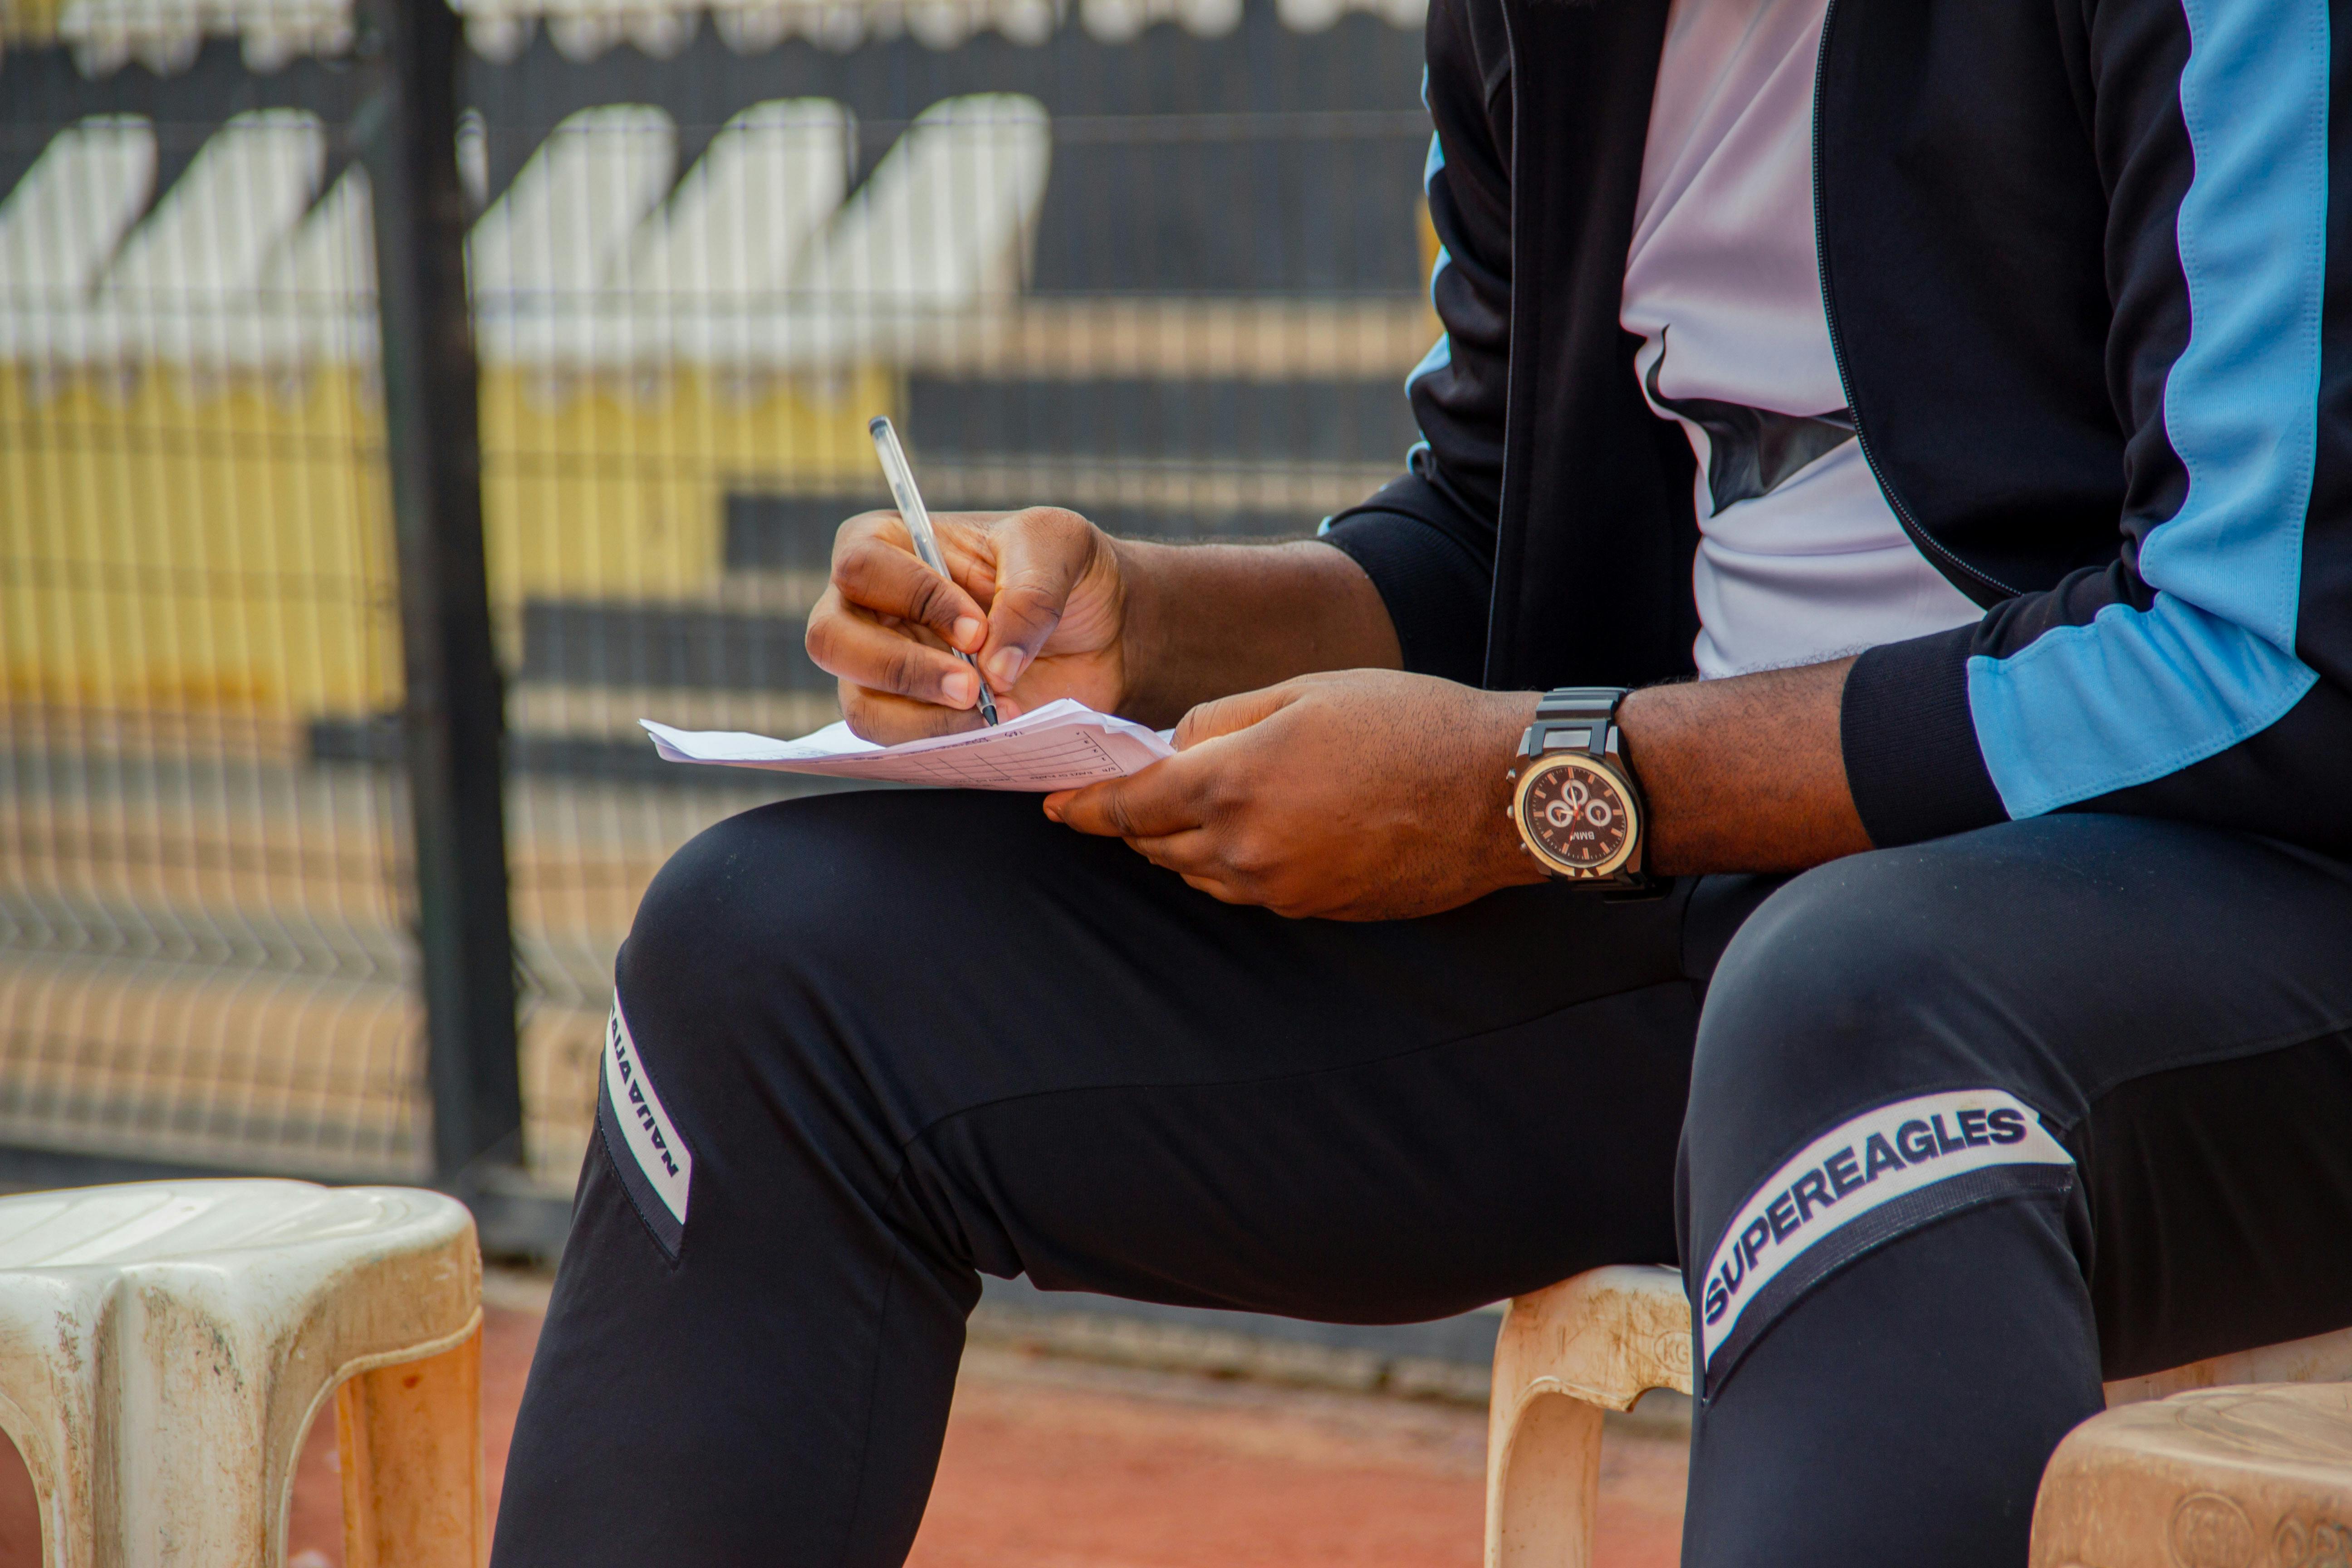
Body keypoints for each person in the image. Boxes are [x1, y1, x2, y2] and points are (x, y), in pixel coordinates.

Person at [489, 0, 2352, 1557]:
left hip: (2228, 936)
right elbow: (1491, 538)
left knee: (1857, 1003)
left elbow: (2255, 662)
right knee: (773, 963)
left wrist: (1541, 785)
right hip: (1706, 912)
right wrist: (1143, 625)